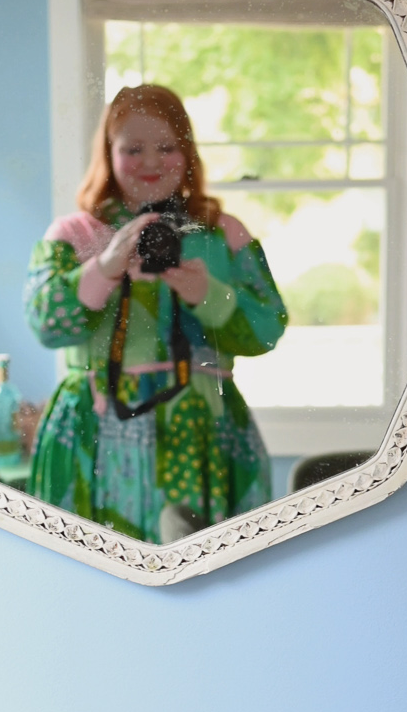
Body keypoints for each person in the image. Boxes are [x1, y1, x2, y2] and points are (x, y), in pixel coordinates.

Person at [25, 85, 285, 544]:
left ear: (187, 154)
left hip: (203, 432)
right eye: (133, 149)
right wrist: (104, 267)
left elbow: (268, 327)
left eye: (167, 147)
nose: (150, 162)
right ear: (108, 153)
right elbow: (45, 322)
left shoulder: (222, 234)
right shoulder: (75, 233)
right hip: (95, 429)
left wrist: (210, 293)